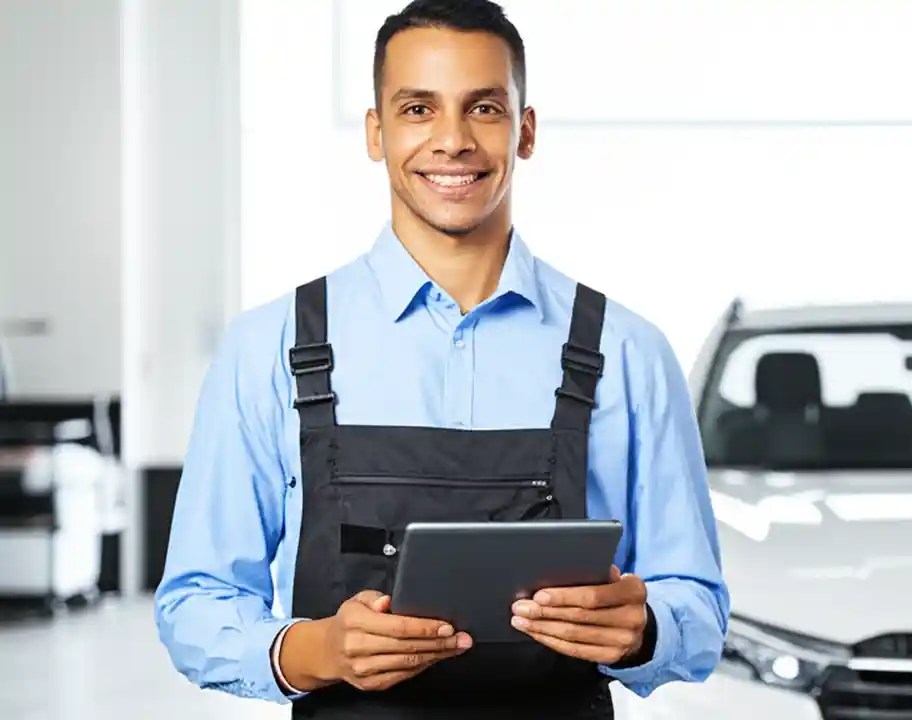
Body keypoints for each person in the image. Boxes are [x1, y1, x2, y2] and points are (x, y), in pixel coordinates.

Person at [153, 1, 730, 717]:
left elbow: (698, 607)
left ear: (525, 131)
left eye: (483, 108)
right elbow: (196, 602)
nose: (452, 141)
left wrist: (644, 630)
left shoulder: (628, 352)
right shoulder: (269, 348)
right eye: (418, 109)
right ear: (377, 132)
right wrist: (318, 650)